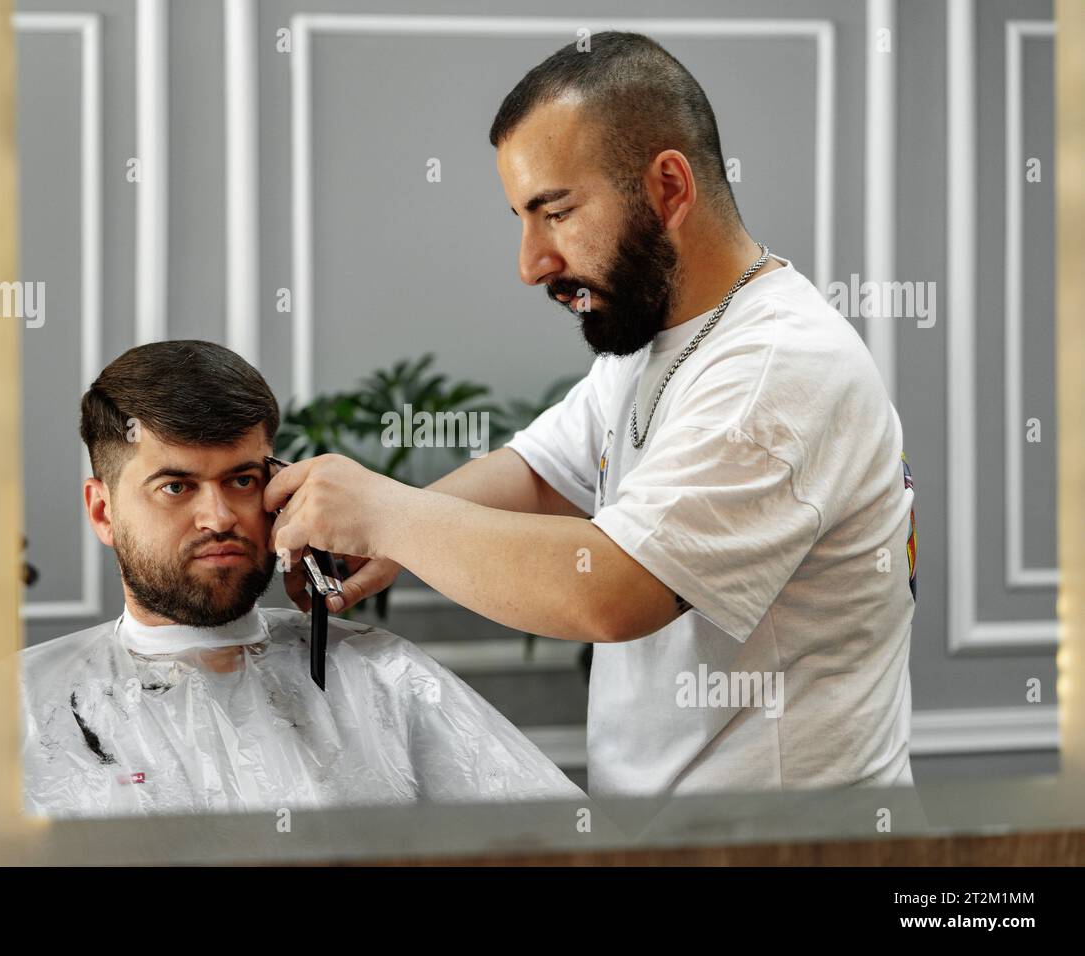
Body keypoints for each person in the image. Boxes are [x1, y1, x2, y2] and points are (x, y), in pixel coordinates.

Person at [265, 33, 918, 798]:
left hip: (791, 847)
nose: (530, 262)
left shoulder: (777, 369)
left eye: (556, 212)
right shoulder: (650, 337)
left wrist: (387, 518)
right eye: (521, 216)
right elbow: (542, 475)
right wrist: (392, 539)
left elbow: (611, 589)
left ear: (669, 188)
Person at [17, 340, 582, 818]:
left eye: (241, 480)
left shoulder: (384, 678)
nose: (219, 517)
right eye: (176, 487)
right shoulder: (24, 707)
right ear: (102, 511)